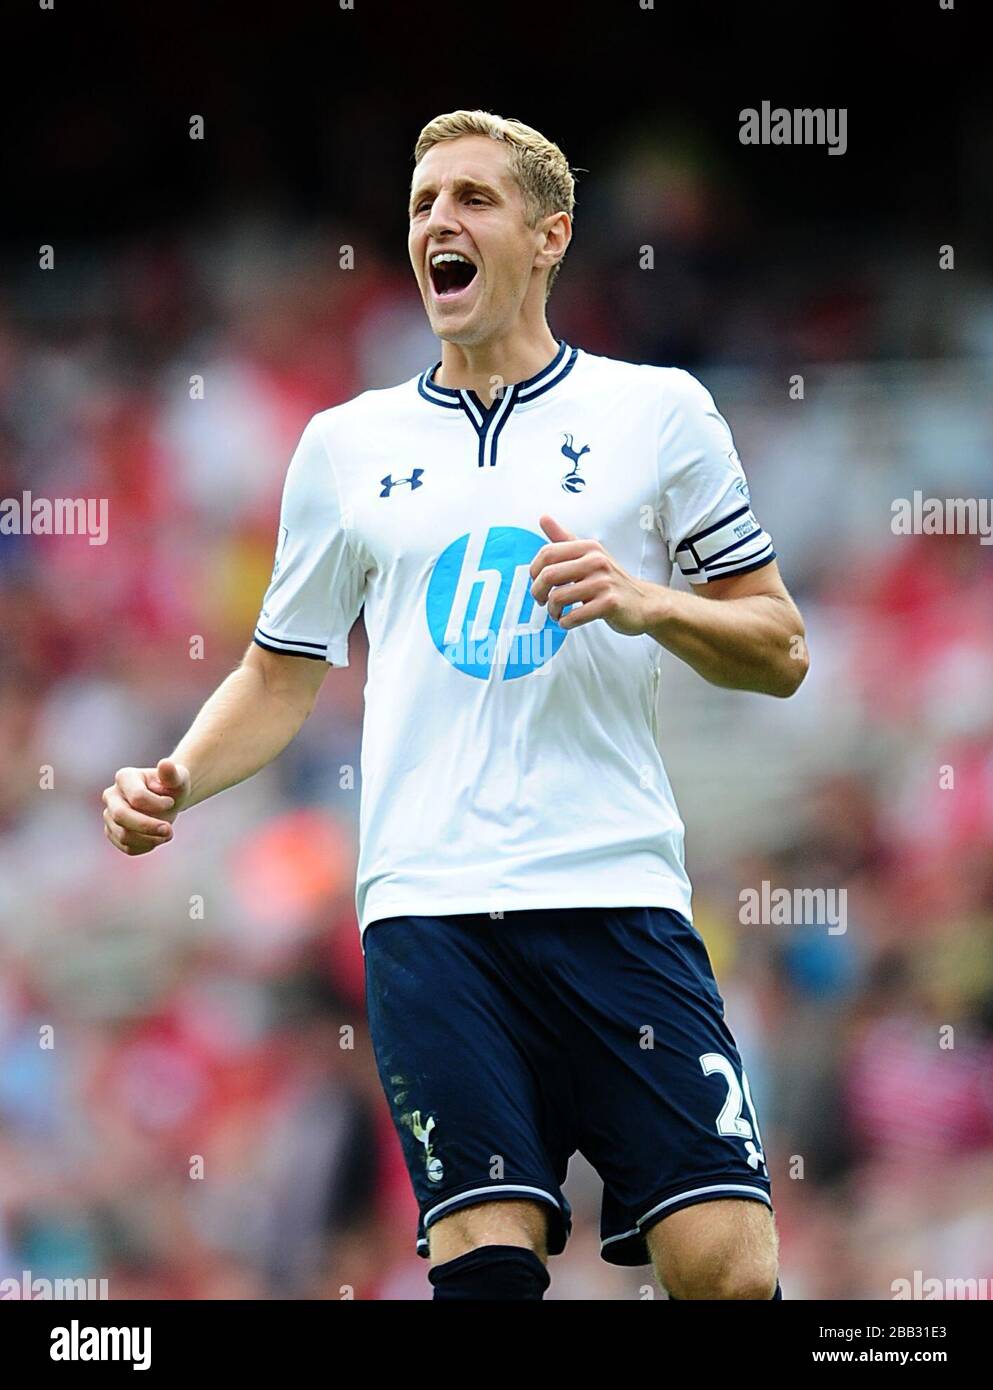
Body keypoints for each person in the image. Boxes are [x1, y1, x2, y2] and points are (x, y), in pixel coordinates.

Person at [102, 109, 808, 1300]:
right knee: (485, 1278)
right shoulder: (344, 445)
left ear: (548, 236)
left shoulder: (660, 413)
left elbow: (779, 647)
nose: (440, 220)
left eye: (475, 199)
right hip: (428, 915)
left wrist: (647, 606)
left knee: (726, 1271)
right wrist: (176, 776)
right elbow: (282, 671)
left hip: (614, 892)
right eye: (426, 201)